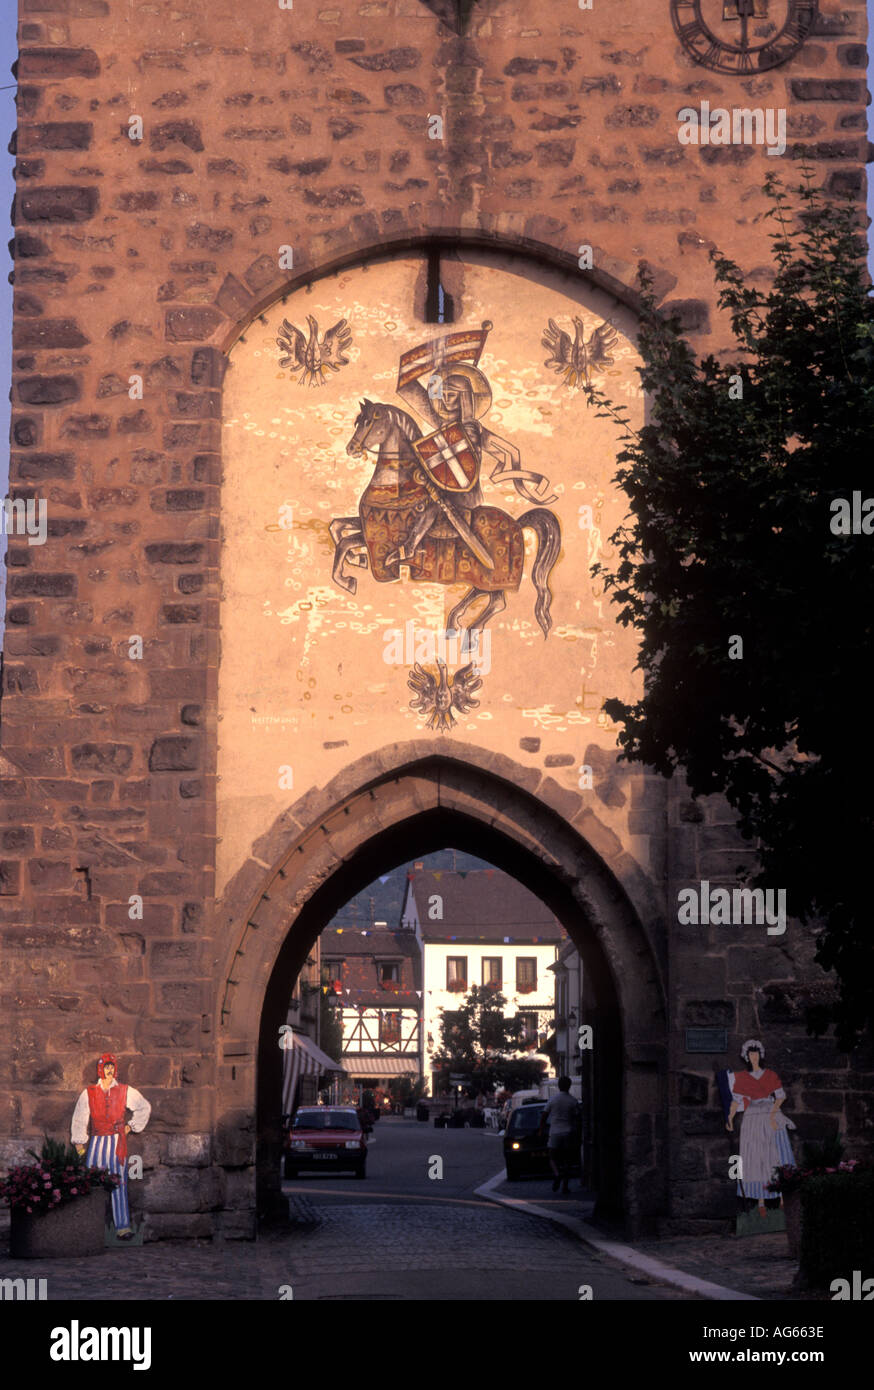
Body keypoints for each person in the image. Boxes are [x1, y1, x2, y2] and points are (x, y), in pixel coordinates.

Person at [71, 1052, 151, 1239]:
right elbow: (80, 1117)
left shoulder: (124, 1090)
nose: (109, 1070)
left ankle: (122, 1227)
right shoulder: (89, 1092)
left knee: (119, 1182)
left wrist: (130, 1126)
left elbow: (144, 1107)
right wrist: (79, 1143)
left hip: (116, 1141)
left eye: (111, 1067)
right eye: (106, 1067)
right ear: (100, 1069)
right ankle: (89, 1225)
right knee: (91, 1181)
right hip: (97, 1141)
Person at [541, 1076, 581, 1195]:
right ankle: (565, 1186)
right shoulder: (573, 1101)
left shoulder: (553, 1100)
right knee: (567, 1161)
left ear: (559, 1086)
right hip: (568, 1132)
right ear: (569, 1086)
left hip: (555, 1132)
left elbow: (544, 1115)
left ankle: (557, 1174)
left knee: (552, 1157)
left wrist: (541, 1129)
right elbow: (578, 1117)